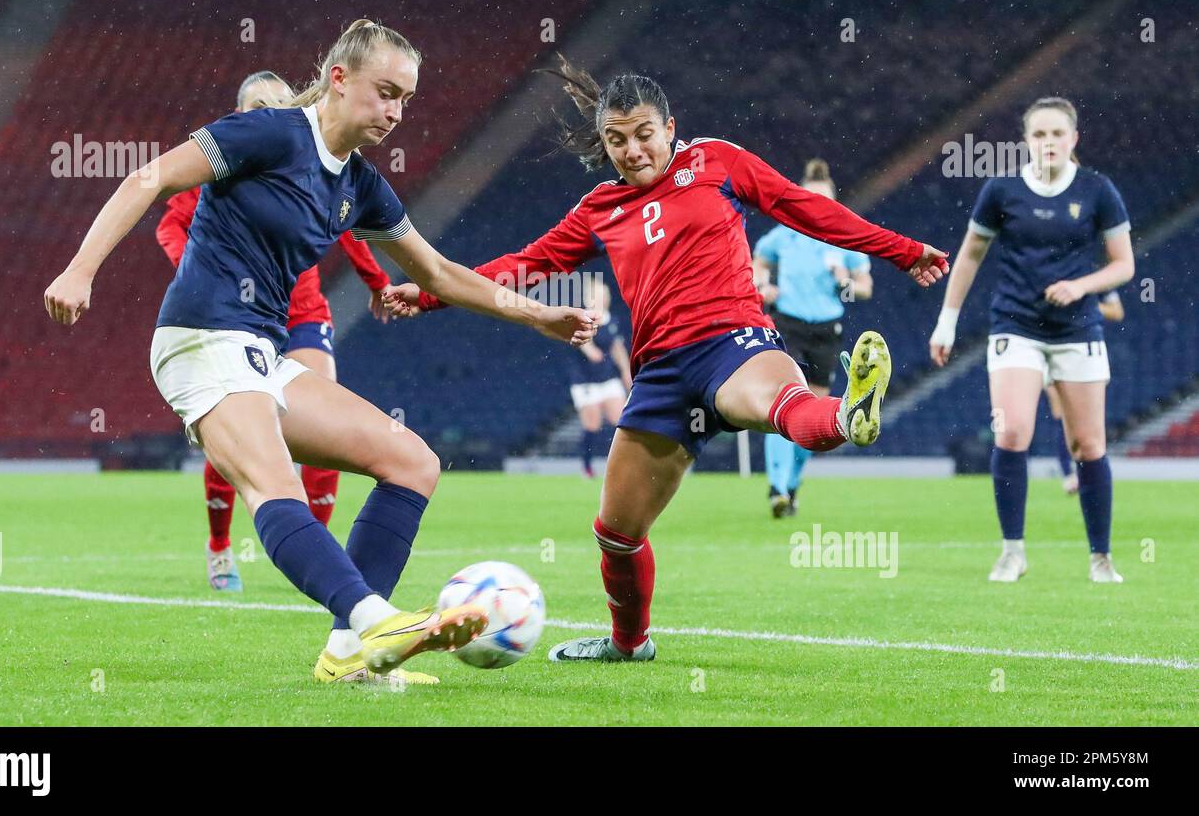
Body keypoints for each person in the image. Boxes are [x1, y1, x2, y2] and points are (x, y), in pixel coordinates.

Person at [45, 20, 597, 684]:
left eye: (405, 100)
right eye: (385, 92)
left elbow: (439, 273)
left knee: (412, 461)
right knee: (274, 486)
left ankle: (346, 652)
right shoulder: (271, 133)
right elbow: (150, 179)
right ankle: (375, 621)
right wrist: (80, 269)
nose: (395, 112)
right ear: (338, 79)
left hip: (261, 354)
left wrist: (538, 316)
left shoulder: (359, 185)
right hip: (198, 338)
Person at [385, 57, 948, 662]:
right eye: (616, 140)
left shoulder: (716, 162)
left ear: (670, 127)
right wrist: (429, 293)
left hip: (732, 341)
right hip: (660, 376)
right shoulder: (598, 210)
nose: (631, 150)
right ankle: (630, 646)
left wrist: (903, 249)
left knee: (783, 406)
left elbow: (804, 209)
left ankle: (846, 415)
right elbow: (525, 266)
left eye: (643, 134)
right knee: (616, 532)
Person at [156, 70, 396, 593]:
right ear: (240, 114)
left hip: (301, 310)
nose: (272, 112)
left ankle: (319, 553)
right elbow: (169, 220)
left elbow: (350, 222)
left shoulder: (310, 162)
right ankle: (220, 547)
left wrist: (378, 281)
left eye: (281, 104)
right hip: (230, 317)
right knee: (242, 439)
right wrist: (192, 267)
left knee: (327, 426)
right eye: (259, 105)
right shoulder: (223, 163)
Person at [929, 97, 1134, 584]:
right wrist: (947, 321)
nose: (1048, 143)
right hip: (1015, 326)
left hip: (1078, 330)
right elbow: (970, 256)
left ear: (1073, 139)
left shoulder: (1097, 190)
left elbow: (1125, 264)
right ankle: (1012, 552)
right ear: (1026, 141)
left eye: (1057, 134)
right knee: (1012, 431)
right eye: (1039, 135)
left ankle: (1100, 558)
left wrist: (1081, 287)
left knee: (1087, 445)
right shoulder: (1001, 190)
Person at [752, 158, 873, 517]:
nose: (820, 206)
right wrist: (763, 285)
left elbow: (865, 287)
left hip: (825, 329)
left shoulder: (847, 235)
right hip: (787, 323)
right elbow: (759, 259)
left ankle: (791, 484)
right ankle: (776, 487)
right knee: (781, 405)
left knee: (813, 412)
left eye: (826, 200)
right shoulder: (784, 233)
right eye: (812, 199)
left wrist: (845, 282)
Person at [1046, 291, 1125, 494]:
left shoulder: (1093, 274)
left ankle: (1087, 471)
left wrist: (1082, 303)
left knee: (1085, 418)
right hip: (1048, 344)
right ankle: (1068, 473)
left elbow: (1117, 312)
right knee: (1059, 411)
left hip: (1084, 347)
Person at [568, 279, 631, 478]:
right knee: (592, 425)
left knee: (620, 422)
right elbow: (583, 344)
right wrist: (590, 350)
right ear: (589, 299)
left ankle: (622, 466)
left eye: (604, 297)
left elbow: (617, 348)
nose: (602, 301)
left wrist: (625, 371)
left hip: (608, 380)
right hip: (585, 382)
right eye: (598, 297)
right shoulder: (581, 318)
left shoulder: (612, 321)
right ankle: (586, 467)